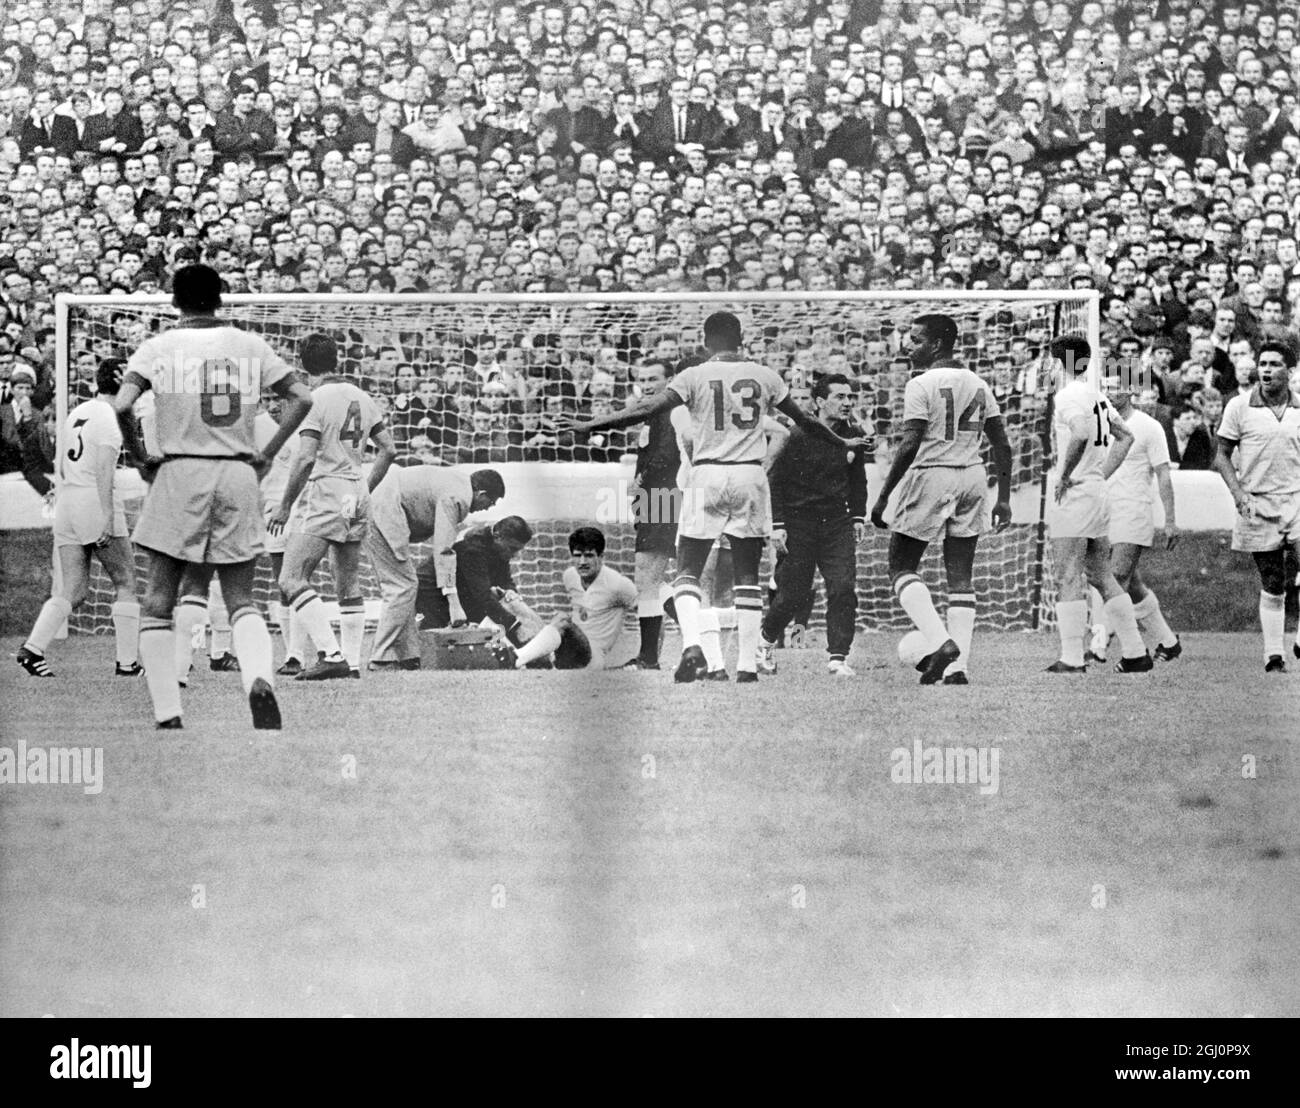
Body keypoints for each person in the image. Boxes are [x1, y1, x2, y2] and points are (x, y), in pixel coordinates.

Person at [562, 310, 855, 683]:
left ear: (704, 342)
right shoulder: (764, 375)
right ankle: (747, 667)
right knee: (747, 575)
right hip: (749, 474)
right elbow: (804, 422)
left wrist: (590, 424)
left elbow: (646, 408)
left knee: (688, 570)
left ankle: (695, 647)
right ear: (742, 339)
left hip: (706, 474)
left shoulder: (694, 375)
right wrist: (841, 440)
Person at [109, 264, 313, 730]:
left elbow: (121, 406)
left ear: (174, 299)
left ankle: (167, 711)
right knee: (243, 598)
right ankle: (259, 680)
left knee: (159, 598)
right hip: (238, 470)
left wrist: (141, 456)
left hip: (179, 470)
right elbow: (302, 398)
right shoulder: (250, 345)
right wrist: (266, 454)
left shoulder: (158, 347)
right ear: (220, 297)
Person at [868, 315, 1013, 685]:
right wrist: (1004, 499)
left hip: (933, 473)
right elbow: (1001, 443)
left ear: (935, 345)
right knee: (960, 575)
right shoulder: (980, 384)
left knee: (901, 565)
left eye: (915, 340)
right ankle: (958, 668)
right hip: (974, 477)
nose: (907, 346)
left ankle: (940, 643)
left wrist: (884, 496)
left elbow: (910, 442)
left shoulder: (921, 383)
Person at [270, 332, 397, 680]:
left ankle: (331, 653)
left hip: (325, 490)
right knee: (348, 583)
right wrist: (363, 489)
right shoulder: (360, 395)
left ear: (302, 363)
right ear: (337, 359)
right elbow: (389, 449)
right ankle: (353, 665)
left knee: (291, 578)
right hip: (356, 491)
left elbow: (307, 457)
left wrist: (284, 505)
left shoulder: (312, 399)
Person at [16, 359, 141, 678]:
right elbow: (103, 470)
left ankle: (32, 649)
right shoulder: (110, 419)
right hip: (92, 500)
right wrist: (107, 514)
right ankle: (127, 663)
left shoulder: (78, 412)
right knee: (126, 581)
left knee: (72, 589)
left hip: (67, 501)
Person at [1043, 335, 1151, 674]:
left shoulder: (1068, 395)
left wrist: (1065, 474)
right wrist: (1099, 474)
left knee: (1068, 573)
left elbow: (1078, 432)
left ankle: (1072, 657)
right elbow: (1126, 437)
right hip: (1096, 490)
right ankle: (1135, 652)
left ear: (1058, 363)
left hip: (1076, 493)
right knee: (1101, 574)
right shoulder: (1099, 396)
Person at [758, 373, 870, 678]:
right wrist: (778, 524)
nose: (847, 402)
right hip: (798, 523)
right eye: (840, 397)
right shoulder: (797, 435)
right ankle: (765, 641)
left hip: (837, 522)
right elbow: (775, 481)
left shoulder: (855, 435)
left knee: (843, 587)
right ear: (820, 402)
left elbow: (858, 481)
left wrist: (858, 516)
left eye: (850, 397)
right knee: (792, 594)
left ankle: (838, 658)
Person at [1213, 342, 1300, 672]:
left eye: (1274, 364)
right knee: (1273, 578)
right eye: (1262, 363)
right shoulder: (1239, 406)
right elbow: (1221, 454)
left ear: (1289, 372)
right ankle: (1273, 655)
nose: (1265, 369)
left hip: (1296, 498)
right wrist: (1238, 494)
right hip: (1257, 502)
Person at [365, 466, 505, 669]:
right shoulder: (458, 497)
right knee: (401, 587)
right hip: (383, 508)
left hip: (382, 503)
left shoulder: (458, 482)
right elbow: (443, 550)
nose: (488, 508)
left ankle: (408, 656)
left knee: (406, 585)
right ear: (481, 493)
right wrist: (454, 604)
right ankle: (381, 658)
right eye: (490, 502)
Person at [1098, 377, 1182, 662]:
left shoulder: (1149, 427)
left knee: (1116, 576)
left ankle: (1098, 644)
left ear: (1131, 390)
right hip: (1103, 512)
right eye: (1105, 387)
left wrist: (1170, 520)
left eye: (1116, 386)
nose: (1111, 393)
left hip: (1134, 511)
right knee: (1132, 583)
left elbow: (1163, 474)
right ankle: (1169, 642)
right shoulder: (1098, 423)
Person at [626, 359, 685, 669]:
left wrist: (640, 482)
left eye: (653, 378)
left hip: (663, 498)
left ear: (670, 380)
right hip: (654, 499)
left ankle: (649, 658)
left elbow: (665, 458)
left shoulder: (669, 413)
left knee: (647, 578)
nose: (646, 385)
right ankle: (693, 638)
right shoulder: (653, 416)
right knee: (651, 581)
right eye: (641, 379)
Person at [560, 525, 639, 669]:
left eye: (589, 555)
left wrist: (650, 657)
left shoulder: (617, 584)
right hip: (570, 650)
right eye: (578, 556)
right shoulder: (569, 576)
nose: (582, 562)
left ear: (601, 557)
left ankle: (519, 657)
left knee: (561, 620)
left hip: (594, 655)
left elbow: (650, 615)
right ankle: (518, 657)